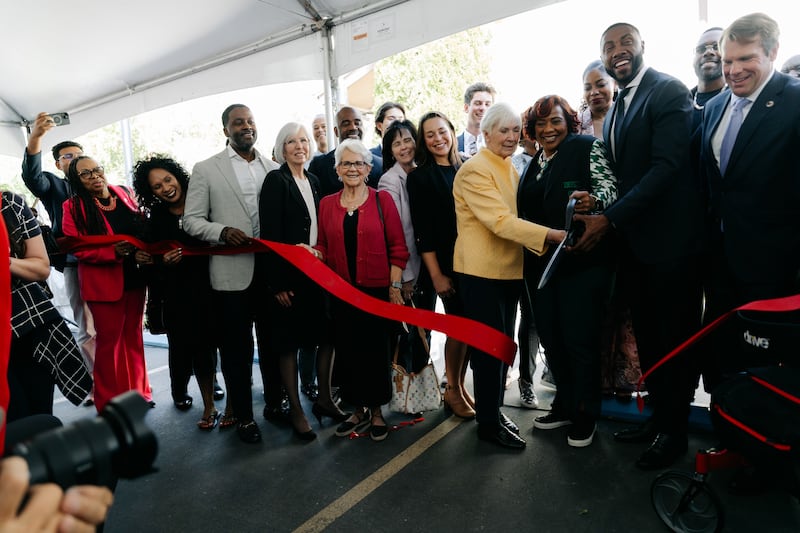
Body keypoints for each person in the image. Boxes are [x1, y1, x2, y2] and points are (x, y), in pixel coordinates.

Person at [572, 22, 703, 469]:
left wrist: (608, 219)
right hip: (637, 250)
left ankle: (675, 434)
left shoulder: (666, 91)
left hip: (672, 248)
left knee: (674, 341)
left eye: (626, 42)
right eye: (608, 47)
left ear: (643, 45)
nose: (618, 51)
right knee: (650, 340)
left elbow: (667, 168)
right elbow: (624, 178)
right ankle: (659, 420)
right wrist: (597, 202)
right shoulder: (620, 106)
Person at [453, 102, 566, 449]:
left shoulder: (507, 166)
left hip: (507, 271)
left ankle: (492, 411)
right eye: (503, 130)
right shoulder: (474, 170)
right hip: (480, 274)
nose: (511, 136)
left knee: (502, 349)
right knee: (489, 352)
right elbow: (500, 222)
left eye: (516, 130)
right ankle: (488, 424)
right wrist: (552, 235)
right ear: (486, 133)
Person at [699, 13, 800, 387]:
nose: (734, 70)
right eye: (728, 60)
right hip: (720, 269)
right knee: (720, 364)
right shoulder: (714, 108)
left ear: (773, 52)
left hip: (777, 274)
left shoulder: (795, 102)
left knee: (766, 378)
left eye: (746, 59)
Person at [519, 96, 618, 448]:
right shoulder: (534, 162)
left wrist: (596, 201)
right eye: (540, 124)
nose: (548, 129)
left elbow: (612, 189)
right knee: (552, 338)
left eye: (555, 121)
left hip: (581, 263)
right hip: (541, 267)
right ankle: (563, 405)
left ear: (570, 122)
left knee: (579, 340)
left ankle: (586, 414)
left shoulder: (587, 147)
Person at [183, 104, 280, 444]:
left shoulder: (274, 168)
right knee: (236, 351)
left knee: (273, 346)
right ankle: (244, 417)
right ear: (226, 130)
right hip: (230, 276)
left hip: (269, 275)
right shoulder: (206, 169)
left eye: (250, 121)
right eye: (238, 122)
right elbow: (191, 220)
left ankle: (275, 405)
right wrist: (222, 232)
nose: (246, 126)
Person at [314, 139, 408, 442]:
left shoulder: (382, 200)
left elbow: (398, 249)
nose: (352, 168)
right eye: (346, 163)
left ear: (368, 169)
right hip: (341, 295)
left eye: (358, 163)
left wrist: (395, 286)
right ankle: (357, 411)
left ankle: (377, 412)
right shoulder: (327, 204)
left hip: (376, 293)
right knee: (348, 353)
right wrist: (313, 253)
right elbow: (323, 245)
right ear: (337, 169)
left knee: (375, 353)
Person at [259, 122, 348, 440]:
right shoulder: (275, 180)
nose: (299, 146)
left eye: (303, 141)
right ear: (282, 149)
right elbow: (269, 234)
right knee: (288, 345)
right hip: (289, 277)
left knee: (327, 336)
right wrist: (278, 284)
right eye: (291, 142)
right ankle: (296, 410)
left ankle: (324, 399)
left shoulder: (314, 180)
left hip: (317, 273)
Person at [131, 155, 220, 430]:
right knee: (180, 349)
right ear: (151, 192)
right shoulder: (155, 219)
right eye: (157, 186)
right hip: (176, 295)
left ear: (178, 177)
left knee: (207, 347)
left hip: (209, 288)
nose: (166, 188)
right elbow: (148, 261)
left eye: (168, 180)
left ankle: (210, 401)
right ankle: (179, 389)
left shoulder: (203, 203)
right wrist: (160, 262)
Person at [62, 156, 154, 413]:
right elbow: (77, 247)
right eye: (85, 173)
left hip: (134, 277)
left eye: (97, 169)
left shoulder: (123, 193)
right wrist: (113, 252)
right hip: (103, 284)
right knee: (109, 343)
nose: (94, 176)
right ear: (76, 180)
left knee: (133, 337)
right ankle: (109, 402)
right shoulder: (73, 207)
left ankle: (140, 392)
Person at [21, 114, 96, 402]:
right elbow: (32, 178)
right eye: (68, 156)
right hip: (76, 265)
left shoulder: (97, 184)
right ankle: (94, 385)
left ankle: (121, 381)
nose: (75, 160)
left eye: (79, 155)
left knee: (110, 327)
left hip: (108, 265)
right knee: (87, 326)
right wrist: (36, 138)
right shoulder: (54, 185)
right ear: (58, 164)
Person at [407, 112, 473, 418]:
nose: (438, 139)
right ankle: (452, 389)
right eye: (430, 134)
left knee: (470, 328)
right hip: (446, 264)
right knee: (458, 327)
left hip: (474, 260)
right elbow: (423, 233)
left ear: (452, 131)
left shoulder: (467, 167)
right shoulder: (420, 177)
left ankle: (458, 385)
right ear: (423, 141)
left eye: (442, 131)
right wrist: (436, 275)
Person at [4, 190, 91, 421]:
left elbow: (41, 268)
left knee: (40, 417)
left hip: (30, 328)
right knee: (13, 422)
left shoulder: (9, 204)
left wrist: (5, 261)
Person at [377, 119, 429, 373]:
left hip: (428, 264)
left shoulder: (423, 171)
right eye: (397, 144)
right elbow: (396, 234)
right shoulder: (389, 181)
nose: (404, 147)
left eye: (408, 140)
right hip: (409, 270)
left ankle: (422, 384)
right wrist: (404, 278)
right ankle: (406, 387)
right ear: (390, 151)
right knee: (408, 335)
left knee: (425, 330)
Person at [308, 106, 383, 197]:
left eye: (357, 123)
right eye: (346, 124)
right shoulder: (319, 166)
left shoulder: (380, 165)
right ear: (336, 131)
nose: (353, 127)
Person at [691, 28, 726, 131]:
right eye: (701, 49)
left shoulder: (737, 101)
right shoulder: (679, 102)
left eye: (717, 47)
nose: (708, 52)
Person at [578, 60, 616, 137]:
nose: (594, 92)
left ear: (615, 84)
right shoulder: (576, 125)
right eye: (587, 88)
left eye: (601, 85)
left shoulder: (628, 116)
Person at [457, 82, 496, 157]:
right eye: (478, 103)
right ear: (466, 108)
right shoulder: (452, 145)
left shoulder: (499, 146)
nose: (483, 108)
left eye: (487, 104)